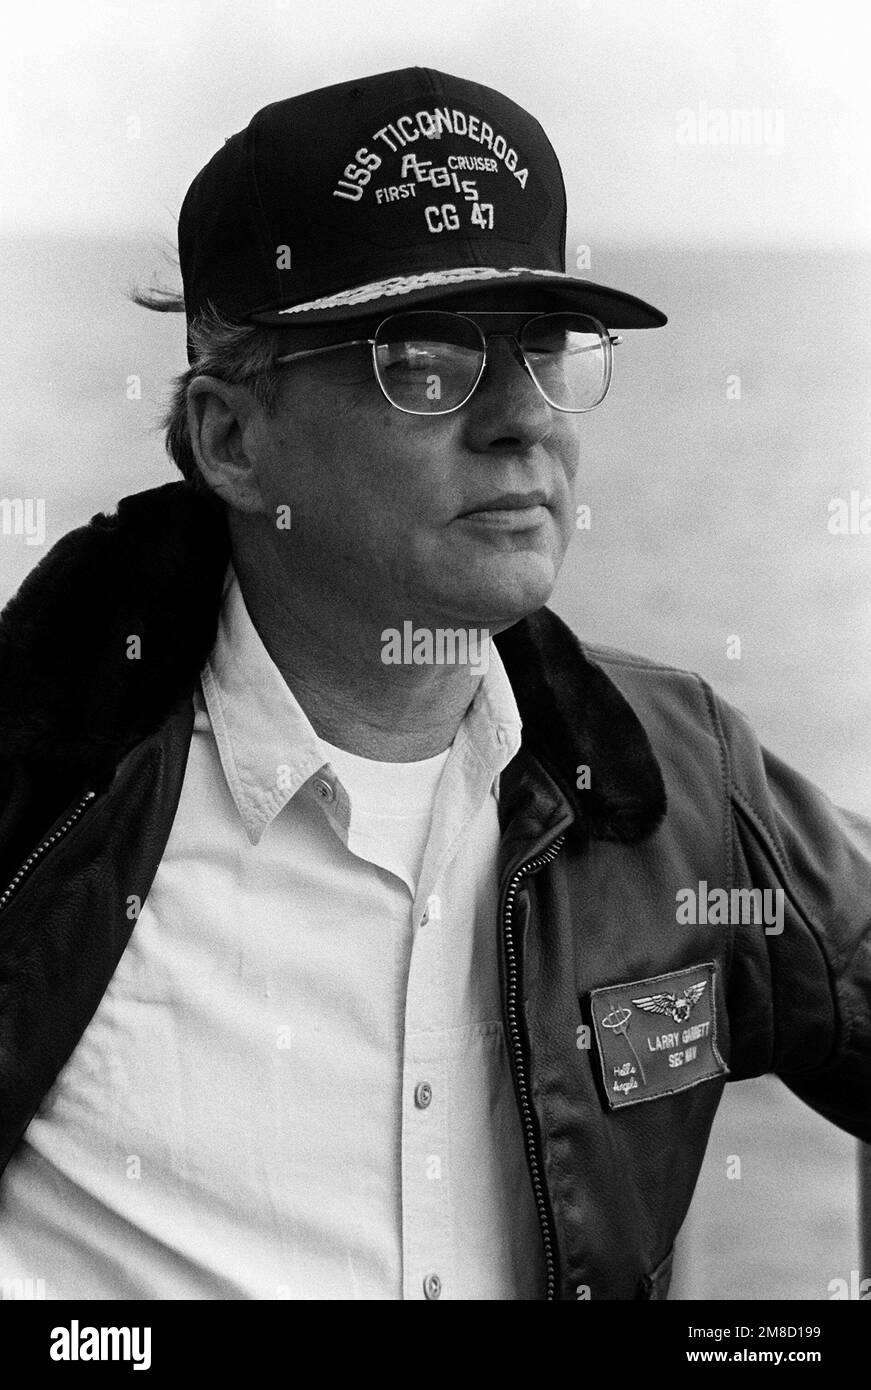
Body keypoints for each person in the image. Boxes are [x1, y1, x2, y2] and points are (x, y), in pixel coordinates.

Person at [0, 65, 867, 1303]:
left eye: (547, 349)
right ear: (232, 440)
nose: (525, 419)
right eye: (423, 361)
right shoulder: (42, 775)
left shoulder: (673, 781)